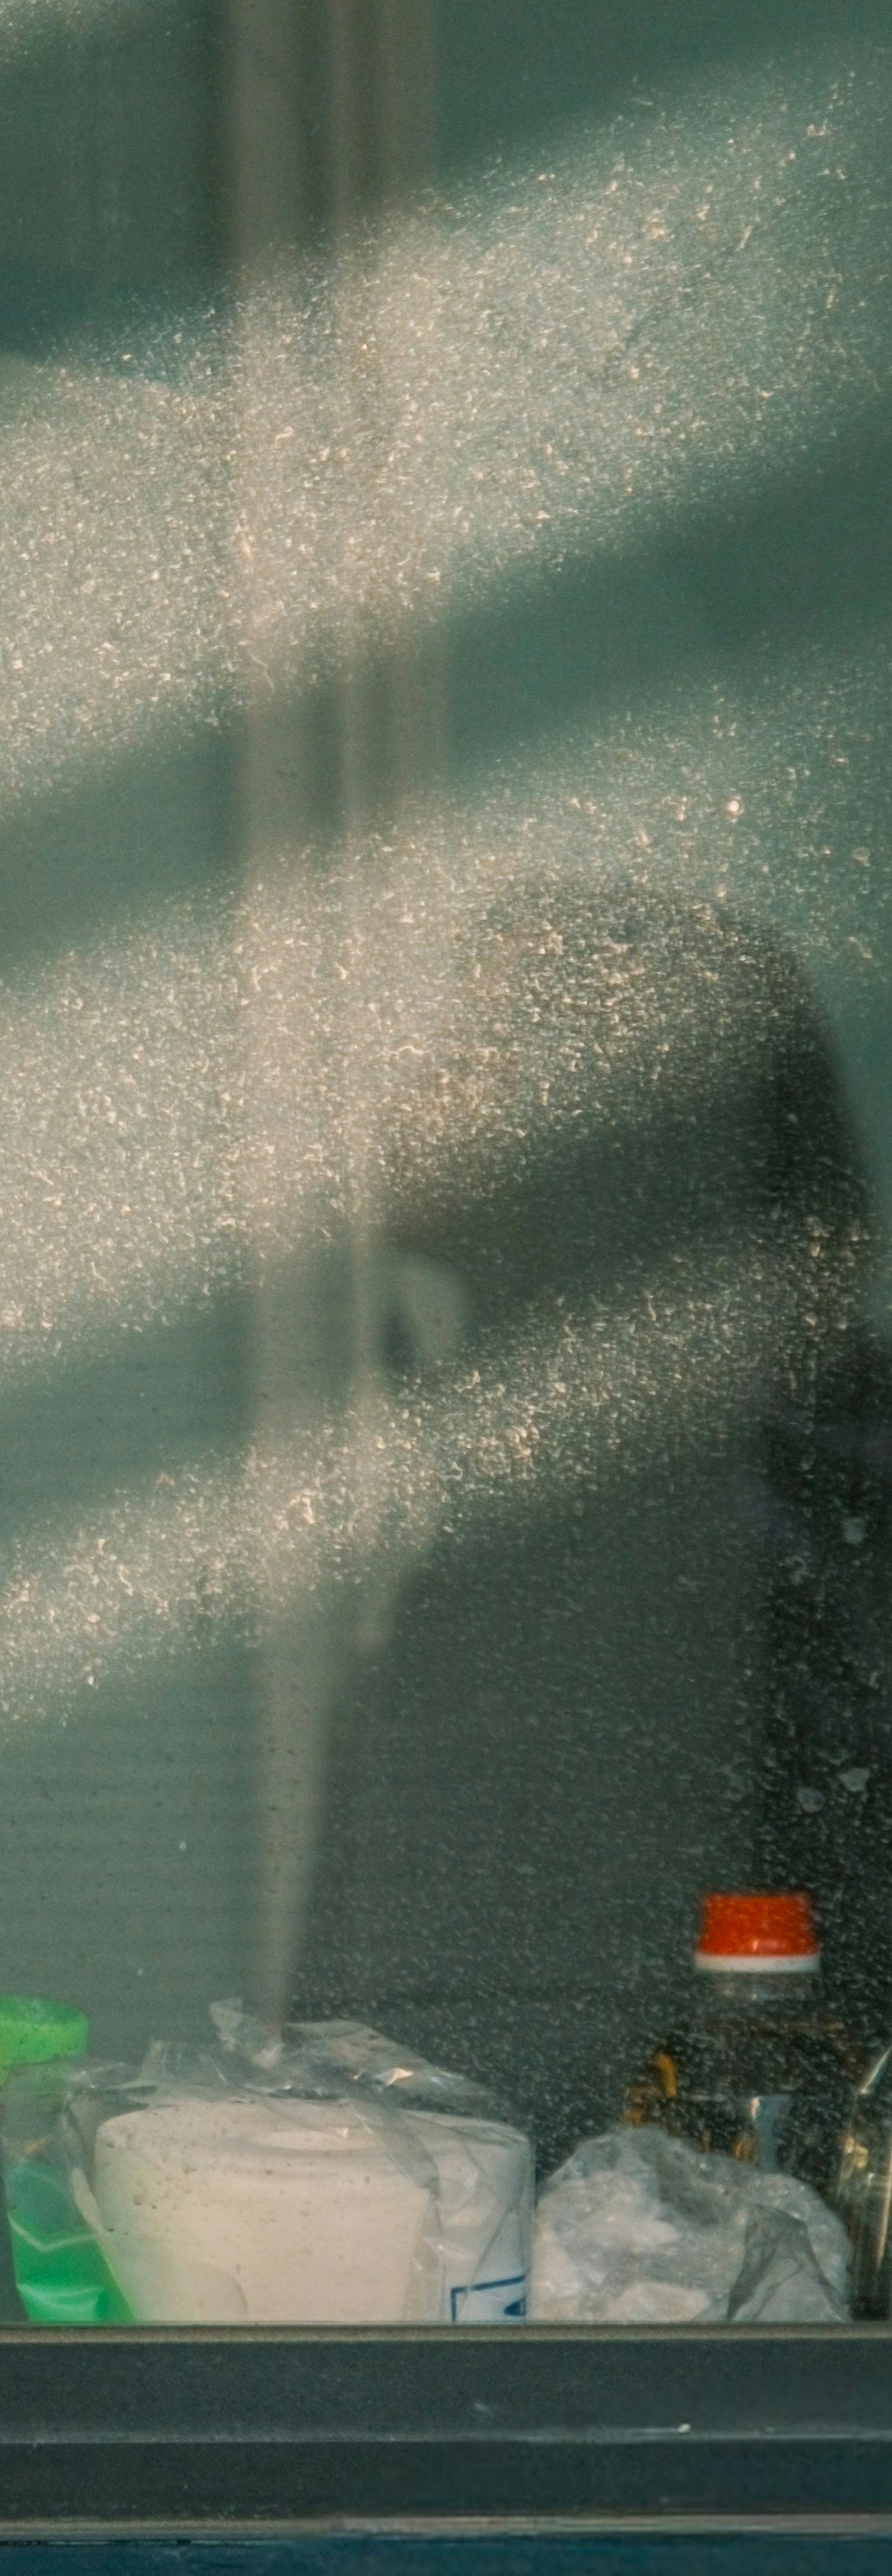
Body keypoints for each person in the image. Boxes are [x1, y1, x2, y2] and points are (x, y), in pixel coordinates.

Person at [296, 891, 892, 2151]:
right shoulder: (574, 1493)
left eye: (470, 1058)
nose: (411, 1106)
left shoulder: (657, 1548)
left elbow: (481, 2056)